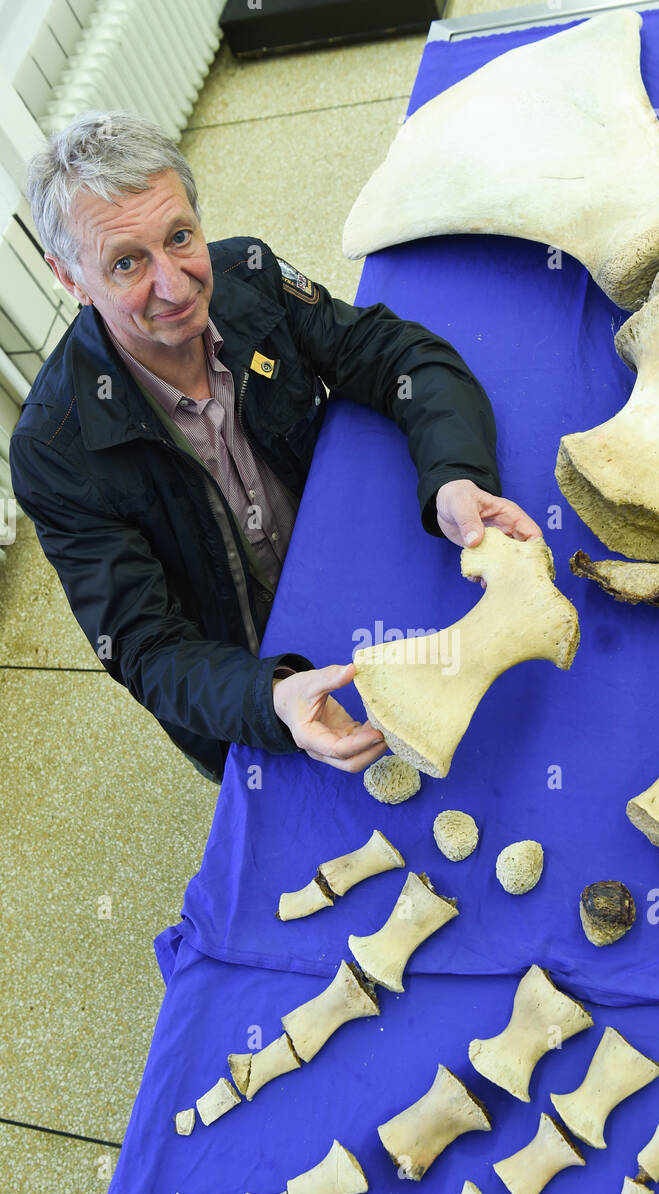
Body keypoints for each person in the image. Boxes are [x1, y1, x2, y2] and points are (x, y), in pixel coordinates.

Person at [11, 110, 542, 783]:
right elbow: (145, 648)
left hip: (357, 571)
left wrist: (453, 478)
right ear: (71, 281)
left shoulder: (249, 274)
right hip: (251, 669)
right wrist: (270, 701)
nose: (175, 287)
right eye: (126, 263)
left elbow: (396, 356)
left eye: (179, 237)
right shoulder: (54, 451)